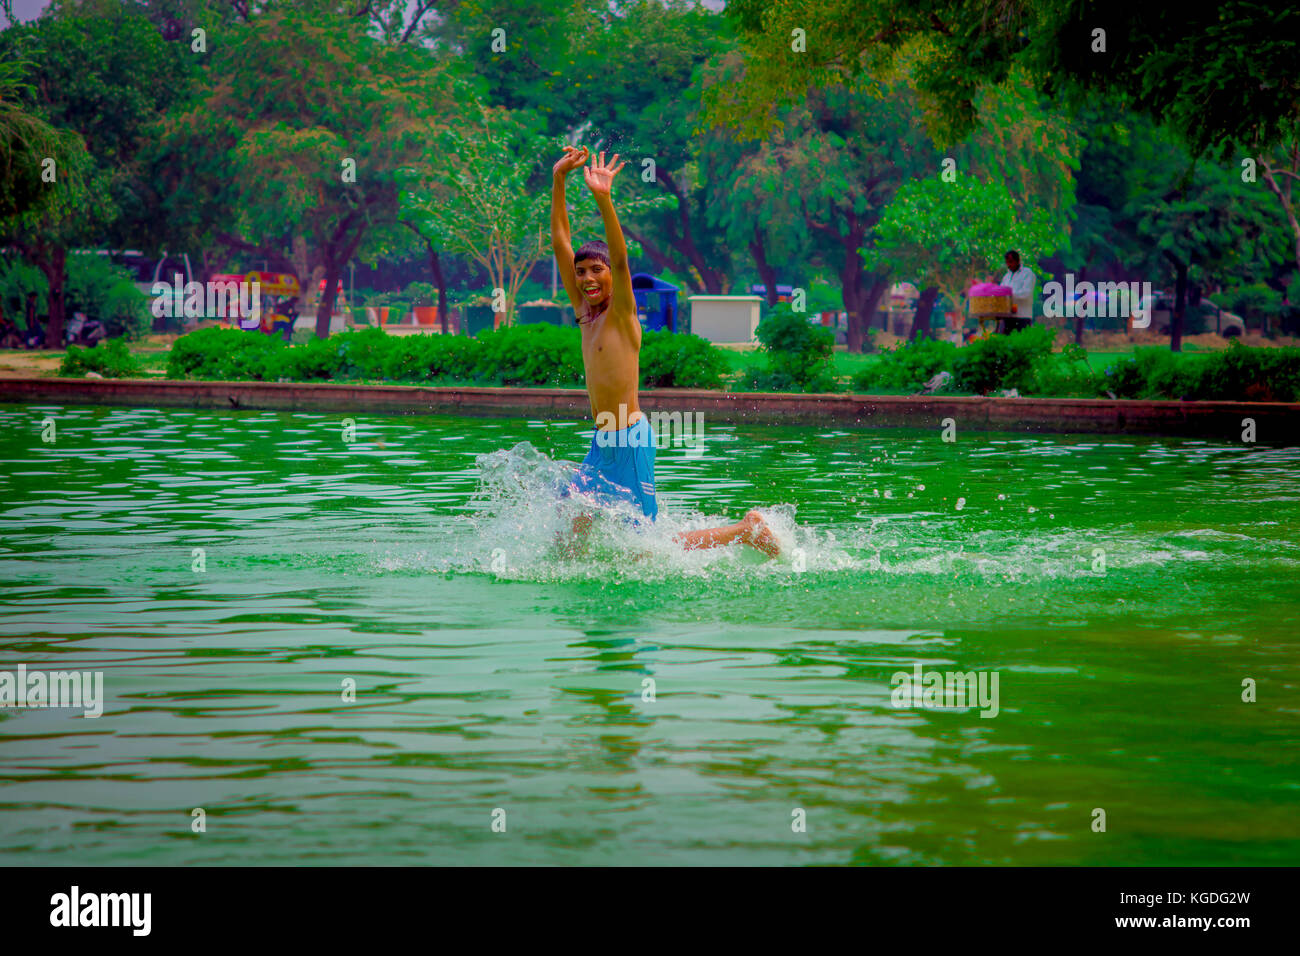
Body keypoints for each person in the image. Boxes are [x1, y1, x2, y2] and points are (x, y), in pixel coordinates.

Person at [549, 145, 780, 557]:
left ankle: (747, 530)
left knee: (651, 548)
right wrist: (559, 180)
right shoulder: (586, 316)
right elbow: (561, 240)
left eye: (594, 270)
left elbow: (619, 261)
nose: (586, 278)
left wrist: (604, 200)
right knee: (571, 522)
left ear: (612, 279)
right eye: (580, 272)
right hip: (603, 441)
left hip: (630, 438)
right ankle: (568, 584)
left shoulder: (622, 314)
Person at [1000, 250, 1035, 327]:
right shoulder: (1006, 276)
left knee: (1021, 338)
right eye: (1007, 262)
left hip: (1022, 316)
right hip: (1007, 316)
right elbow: (1001, 292)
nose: (1009, 265)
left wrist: (1008, 294)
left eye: (1011, 262)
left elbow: (1026, 293)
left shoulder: (1027, 273)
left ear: (1018, 261)